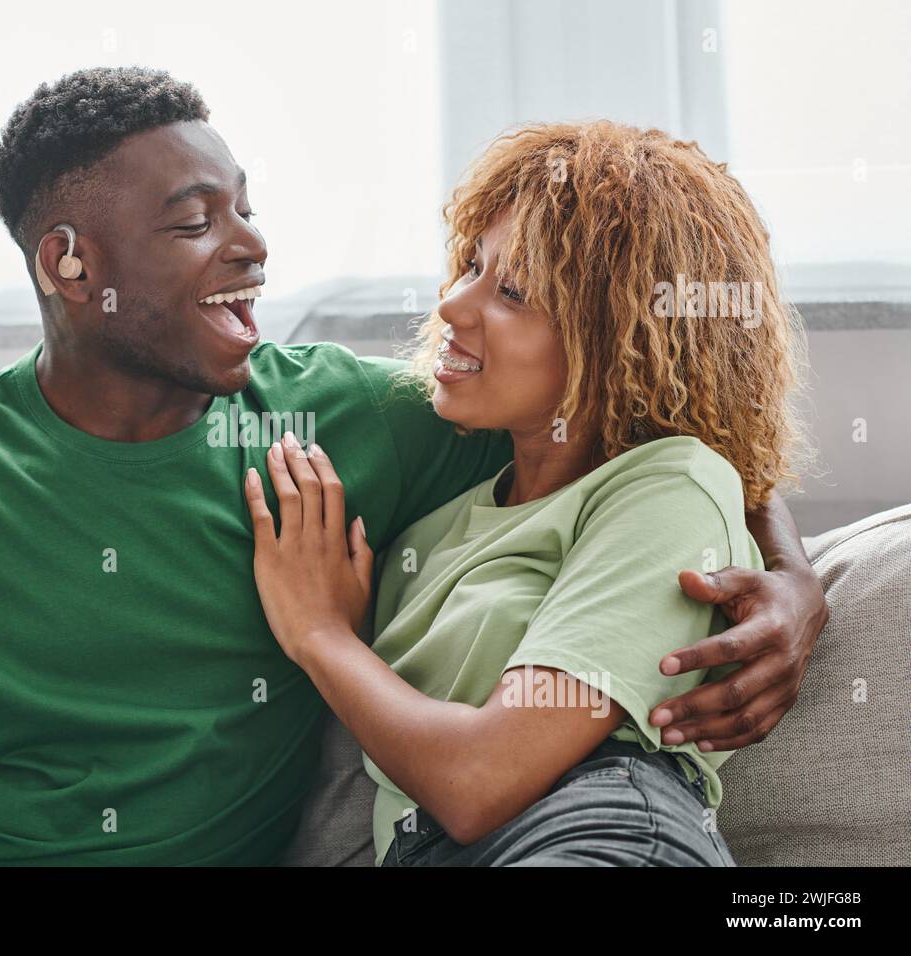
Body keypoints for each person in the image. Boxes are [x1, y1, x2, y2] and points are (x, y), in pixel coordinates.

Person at [0, 70, 828, 865]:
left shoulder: (344, 417)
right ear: (71, 262)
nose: (253, 243)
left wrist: (791, 577)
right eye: (195, 219)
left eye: (248, 208)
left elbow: (638, 399)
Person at [243, 120, 819, 866]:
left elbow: (480, 779)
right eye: (470, 266)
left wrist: (320, 636)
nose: (451, 305)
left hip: (591, 830)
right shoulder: (435, 523)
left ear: (623, 337)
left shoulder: (668, 485)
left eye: (512, 291)